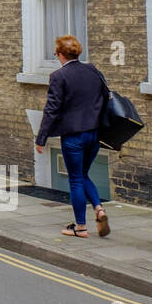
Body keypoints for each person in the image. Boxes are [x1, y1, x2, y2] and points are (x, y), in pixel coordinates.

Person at [35, 35, 111, 238]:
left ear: (59, 54)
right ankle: (98, 208)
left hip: (73, 136)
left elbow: (51, 110)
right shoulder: (93, 70)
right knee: (83, 175)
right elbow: (105, 97)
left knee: (76, 180)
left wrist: (41, 138)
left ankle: (81, 227)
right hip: (94, 134)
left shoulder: (59, 76)